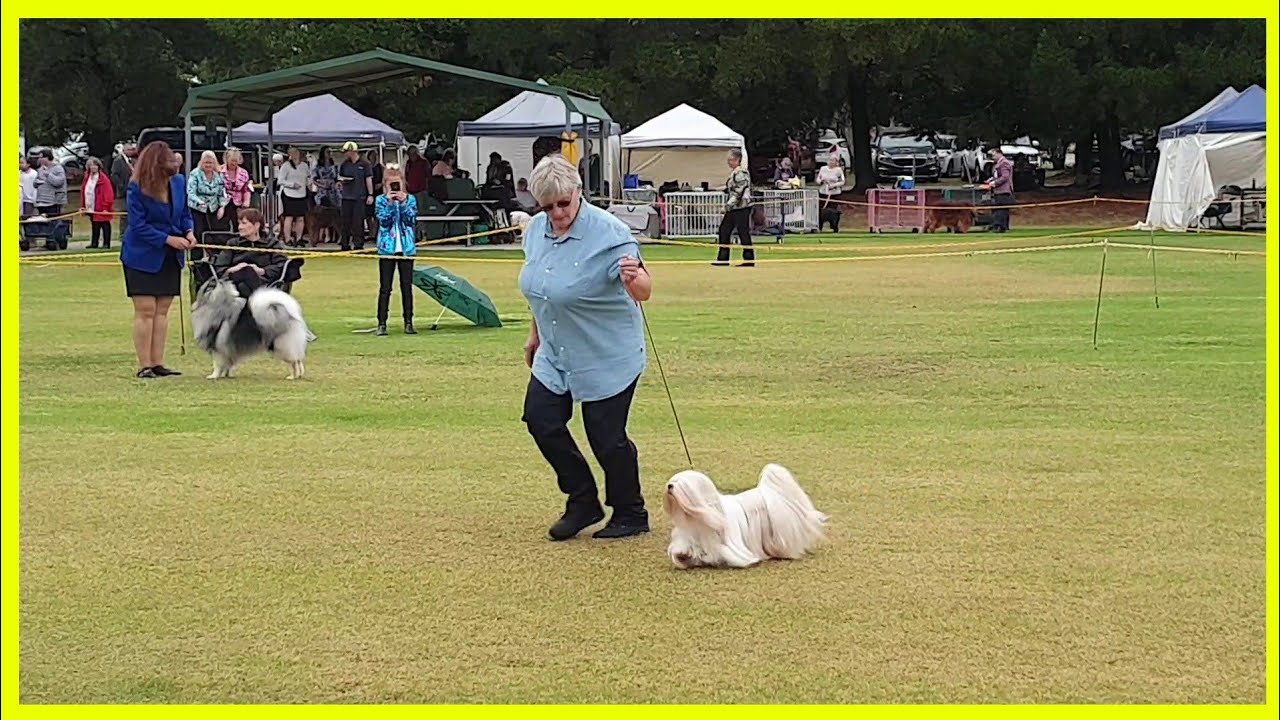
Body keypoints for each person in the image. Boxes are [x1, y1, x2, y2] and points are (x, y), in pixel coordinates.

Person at [519, 153, 653, 541]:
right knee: (540, 419)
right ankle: (582, 500)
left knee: (606, 438)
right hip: (556, 350)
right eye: (547, 207)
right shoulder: (535, 231)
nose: (557, 213)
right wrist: (534, 334)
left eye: (563, 203)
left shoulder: (610, 234)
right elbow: (541, 290)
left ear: (578, 191)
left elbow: (644, 290)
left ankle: (630, 512)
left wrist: (632, 279)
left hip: (606, 352)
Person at [121, 141, 196, 379]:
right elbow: (138, 225)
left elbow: (185, 213)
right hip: (142, 255)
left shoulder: (179, 182)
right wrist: (168, 239)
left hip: (169, 257)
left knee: (162, 310)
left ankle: (157, 363)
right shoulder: (136, 187)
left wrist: (189, 232)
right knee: (146, 310)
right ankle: (144, 365)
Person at [373, 164, 418, 336]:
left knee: (406, 286)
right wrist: (391, 204)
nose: (394, 187)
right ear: (385, 185)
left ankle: (409, 322)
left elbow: (411, 219)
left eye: (397, 183)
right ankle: (382, 323)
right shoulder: (380, 201)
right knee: (385, 287)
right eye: (391, 184)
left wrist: (404, 203)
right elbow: (383, 221)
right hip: (387, 248)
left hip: (406, 248)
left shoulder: (411, 199)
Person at [213, 207, 288, 298]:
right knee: (245, 272)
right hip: (234, 281)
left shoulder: (272, 244)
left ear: (256, 225)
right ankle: (260, 299)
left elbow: (281, 265)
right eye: (239, 223)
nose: (240, 227)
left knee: (244, 284)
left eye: (244, 223)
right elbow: (220, 268)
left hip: (262, 281)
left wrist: (262, 271)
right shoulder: (233, 243)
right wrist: (236, 268)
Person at [187, 150, 228, 289]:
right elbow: (190, 192)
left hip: (213, 209)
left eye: (210, 163)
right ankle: (196, 268)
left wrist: (222, 207)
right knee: (198, 236)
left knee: (215, 237)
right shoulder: (195, 174)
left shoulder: (218, 176)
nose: (208, 165)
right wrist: (199, 202)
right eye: (205, 162)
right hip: (198, 209)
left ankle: (216, 265)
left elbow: (222, 193)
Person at [713, 148, 755, 267]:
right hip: (735, 208)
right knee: (724, 230)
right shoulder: (735, 173)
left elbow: (738, 192)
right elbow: (732, 188)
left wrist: (727, 206)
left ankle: (749, 259)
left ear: (737, 160)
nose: (728, 162)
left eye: (730, 160)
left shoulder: (741, 173)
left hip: (741, 207)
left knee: (743, 232)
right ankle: (723, 259)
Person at [336, 141, 373, 251]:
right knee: (345, 222)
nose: (345, 154)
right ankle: (345, 244)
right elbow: (340, 178)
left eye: (346, 152)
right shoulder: (344, 164)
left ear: (352, 151)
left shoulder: (365, 164)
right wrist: (340, 183)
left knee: (358, 222)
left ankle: (358, 244)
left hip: (359, 197)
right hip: (346, 197)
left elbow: (368, 179)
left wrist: (370, 194)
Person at [278, 146, 311, 246]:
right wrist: (292, 185)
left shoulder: (304, 166)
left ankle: (299, 238)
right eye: (292, 153)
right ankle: (288, 239)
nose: (295, 154)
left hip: (302, 194)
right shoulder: (286, 166)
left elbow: (308, 178)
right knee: (289, 217)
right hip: (289, 194)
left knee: (300, 218)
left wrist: (309, 185)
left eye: (296, 152)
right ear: (289, 155)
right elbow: (280, 181)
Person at [80, 157, 116, 249]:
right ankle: (94, 243)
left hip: (101, 205)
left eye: (95, 165)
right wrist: (83, 205)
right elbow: (84, 190)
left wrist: (106, 207)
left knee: (105, 224)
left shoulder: (103, 179)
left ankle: (106, 243)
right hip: (91, 204)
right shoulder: (87, 177)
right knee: (94, 224)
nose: (93, 167)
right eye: (91, 165)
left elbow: (108, 193)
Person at [222, 148, 252, 229]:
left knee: (238, 223)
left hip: (239, 203)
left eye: (236, 161)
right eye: (232, 160)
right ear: (226, 159)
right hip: (223, 202)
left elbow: (247, 189)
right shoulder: (219, 171)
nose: (234, 163)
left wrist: (246, 201)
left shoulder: (244, 173)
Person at [986, 147, 1015, 233]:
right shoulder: (997, 163)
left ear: (999, 154)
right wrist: (991, 179)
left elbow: (1005, 176)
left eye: (994, 155)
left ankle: (1000, 226)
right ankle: (1001, 226)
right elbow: (998, 175)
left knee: (1001, 209)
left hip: (1003, 190)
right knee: (1000, 209)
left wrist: (995, 183)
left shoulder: (1004, 163)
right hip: (998, 190)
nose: (993, 157)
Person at [815, 152, 845, 232]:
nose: (831, 162)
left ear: (836, 162)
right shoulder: (823, 169)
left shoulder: (838, 170)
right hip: (823, 192)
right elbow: (818, 179)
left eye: (833, 160)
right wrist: (821, 181)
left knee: (834, 211)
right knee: (821, 211)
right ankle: (820, 226)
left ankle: (834, 226)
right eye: (830, 160)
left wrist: (834, 185)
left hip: (834, 193)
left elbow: (842, 181)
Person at [33, 148, 67, 217]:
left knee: (53, 221)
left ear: (47, 157)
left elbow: (59, 182)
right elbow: (35, 183)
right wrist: (37, 182)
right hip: (41, 202)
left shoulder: (58, 168)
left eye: (41, 157)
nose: (39, 159)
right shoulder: (40, 169)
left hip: (53, 202)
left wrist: (48, 174)